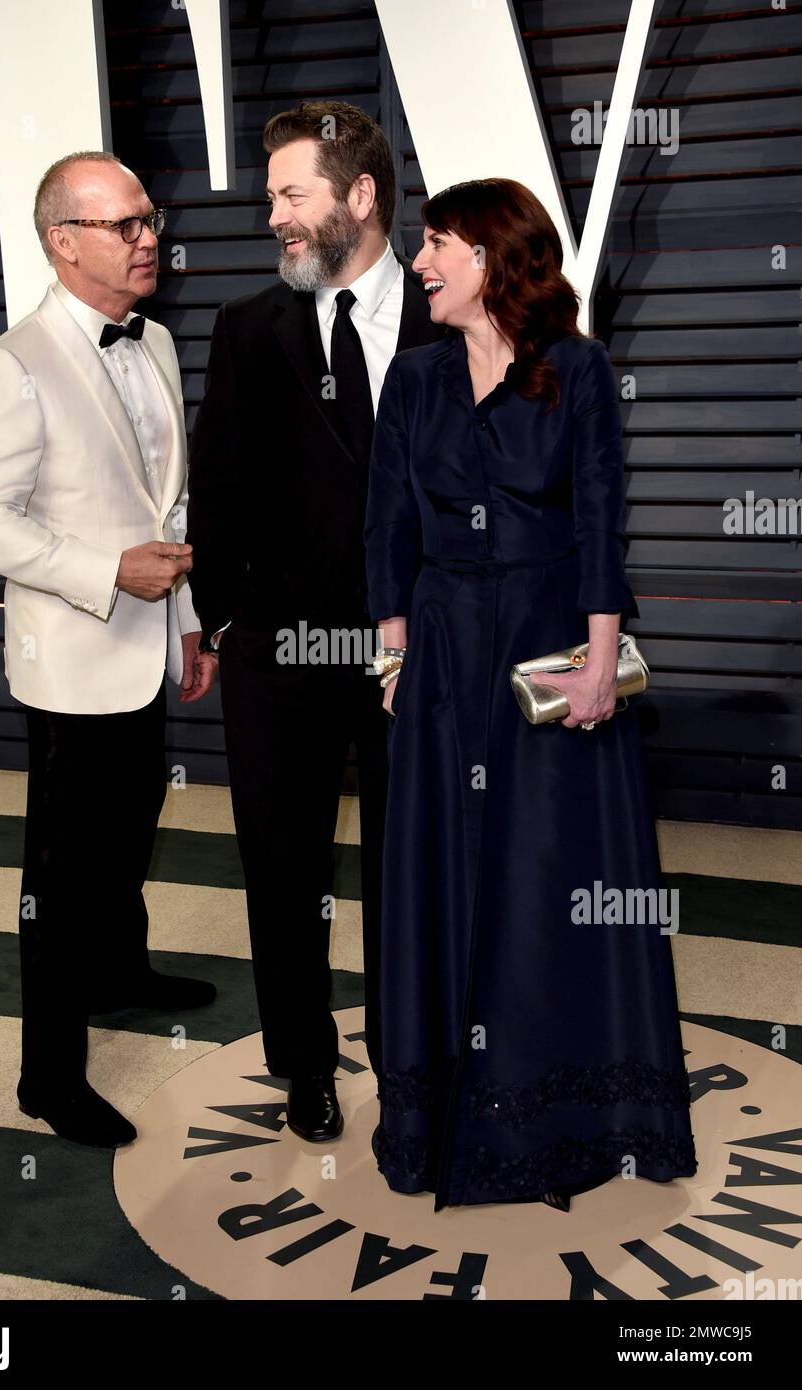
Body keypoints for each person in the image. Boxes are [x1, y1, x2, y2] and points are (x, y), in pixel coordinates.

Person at [363, 178, 698, 1211]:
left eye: (436, 245)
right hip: (443, 655)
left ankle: (561, 1112)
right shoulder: (412, 379)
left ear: (494, 259)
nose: (418, 263)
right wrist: (391, 653)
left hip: (548, 642)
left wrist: (599, 658)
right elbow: (384, 525)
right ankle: (445, 1105)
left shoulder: (578, 369)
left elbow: (600, 516)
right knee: (444, 870)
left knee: (547, 876)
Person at [186, 102, 445, 1142]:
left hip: (413, 648)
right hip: (280, 654)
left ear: (360, 198)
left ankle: (410, 1056)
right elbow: (219, 483)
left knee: (409, 862)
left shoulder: (445, 314)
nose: (275, 219)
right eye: (270, 200)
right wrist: (227, 620)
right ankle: (302, 1064)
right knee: (281, 868)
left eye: (293, 195)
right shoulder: (246, 329)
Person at [0, 152, 218, 1150]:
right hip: (69, 660)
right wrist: (107, 570)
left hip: (148, 644)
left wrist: (184, 618)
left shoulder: (150, 348)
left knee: (130, 825)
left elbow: (167, 506)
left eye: (148, 219)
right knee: (57, 879)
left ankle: (122, 970)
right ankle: (47, 1075)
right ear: (63, 242)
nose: (149, 237)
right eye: (124, 225)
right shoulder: (13, 364)